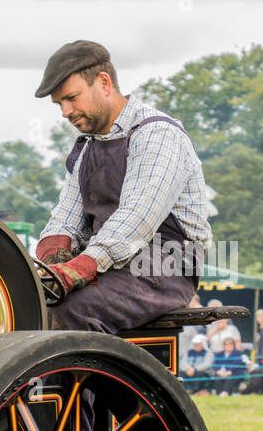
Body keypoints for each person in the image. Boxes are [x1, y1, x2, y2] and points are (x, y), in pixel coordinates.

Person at [34, 40, 212, 333]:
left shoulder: (157, 134)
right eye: (59, 104)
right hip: (113, 266)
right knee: (29, 304)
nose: (65, 111)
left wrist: (81, 267)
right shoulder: (89, 148)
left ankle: (84, 380)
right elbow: (65, 217)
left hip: (164, 270)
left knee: (72, 311)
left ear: (104, 83)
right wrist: (52, 260)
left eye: (72, 98)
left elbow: (136, 218)